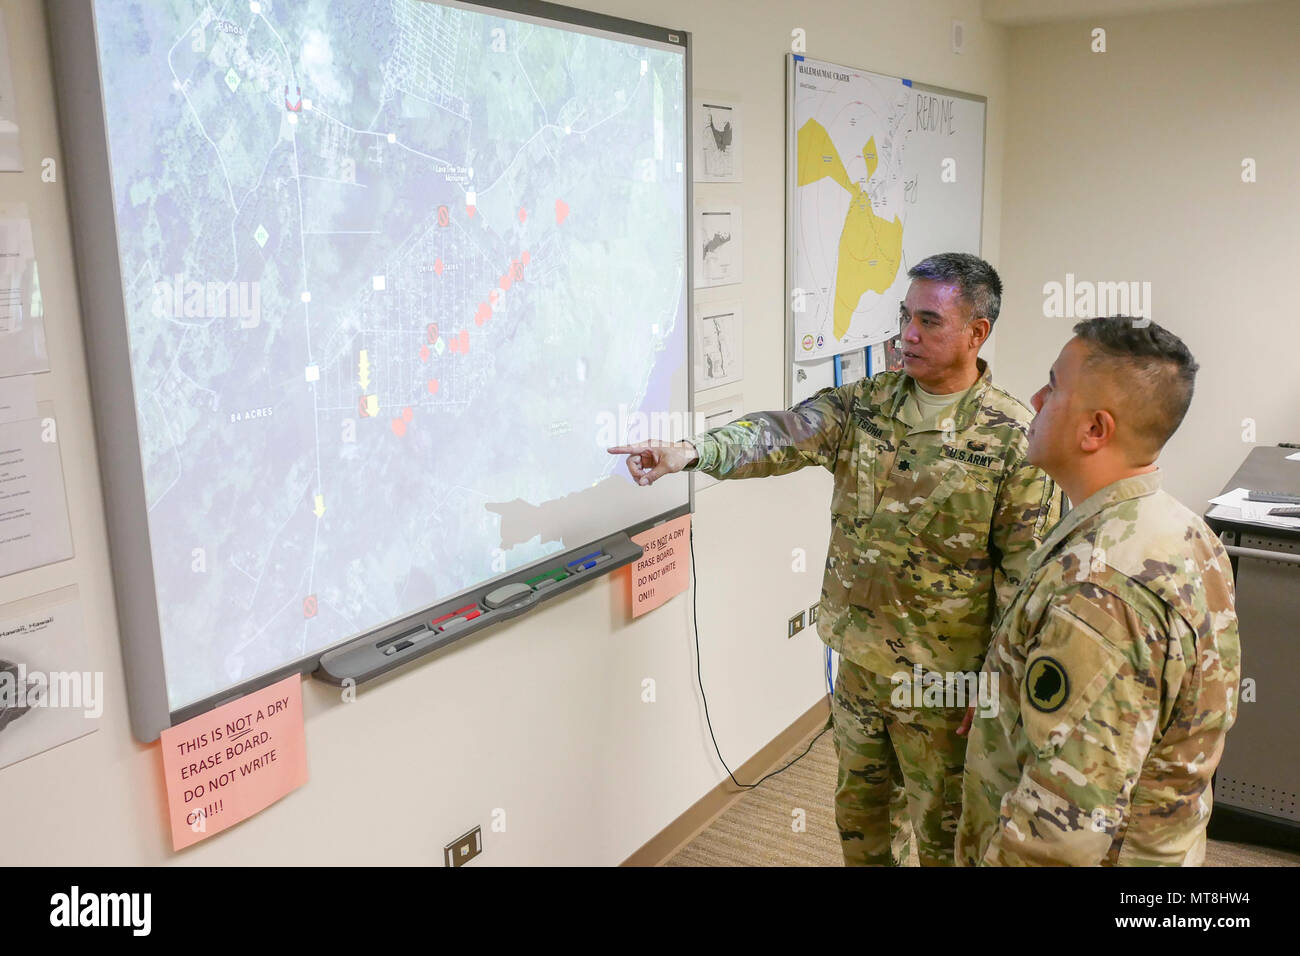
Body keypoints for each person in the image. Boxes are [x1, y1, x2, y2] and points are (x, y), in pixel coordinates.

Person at [608, 253, 1060, 866]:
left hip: (944, 684)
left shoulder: (1012, 437)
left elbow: (1027, 580)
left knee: (945, 836)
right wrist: (689, 452)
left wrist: (996, 683)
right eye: (906, 317)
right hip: (858, 665)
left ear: (977, 333)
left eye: (929, 321)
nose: (907, 335)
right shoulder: (867, 404)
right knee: (862, 824)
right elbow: (781, 434)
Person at [955, 316, 1240, 866]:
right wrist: (1005, 698)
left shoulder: (1098, 593)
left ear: (1094, 430)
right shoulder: (1179, 529)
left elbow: (1063, 832)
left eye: (1053, 385)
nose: (1035, 397)